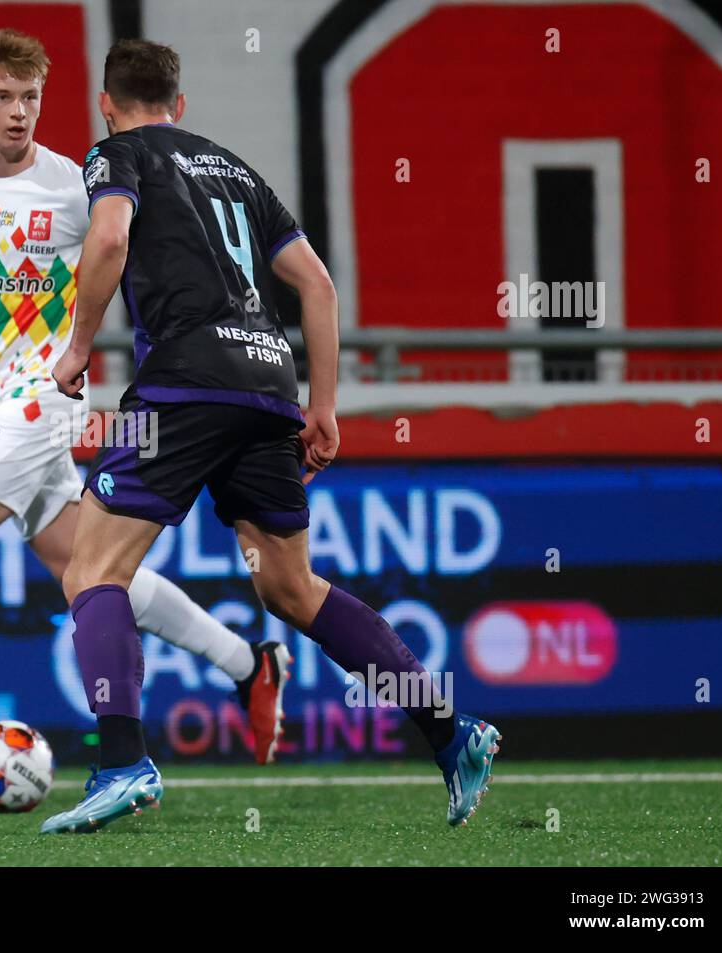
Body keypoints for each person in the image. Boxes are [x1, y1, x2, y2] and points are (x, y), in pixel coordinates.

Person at [43, 38, 501, 834]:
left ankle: (122, 761)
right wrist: (323, 406)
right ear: (180, 105)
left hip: (183, 384)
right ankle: (451, 730)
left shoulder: (115, 154)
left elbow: (110, 239)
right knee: (291, 588)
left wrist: (77, 347)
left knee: (91, 570)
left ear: (107, 104)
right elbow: (316, 284)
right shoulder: (235, 169)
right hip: (268, 385)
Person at [0, 30, 292, 804]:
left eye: (30, 98)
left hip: (47, 399)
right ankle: (248, 662)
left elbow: (125, 243)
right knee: (84, 569)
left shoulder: (73, 185)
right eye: (2, 96)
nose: (19, 112)